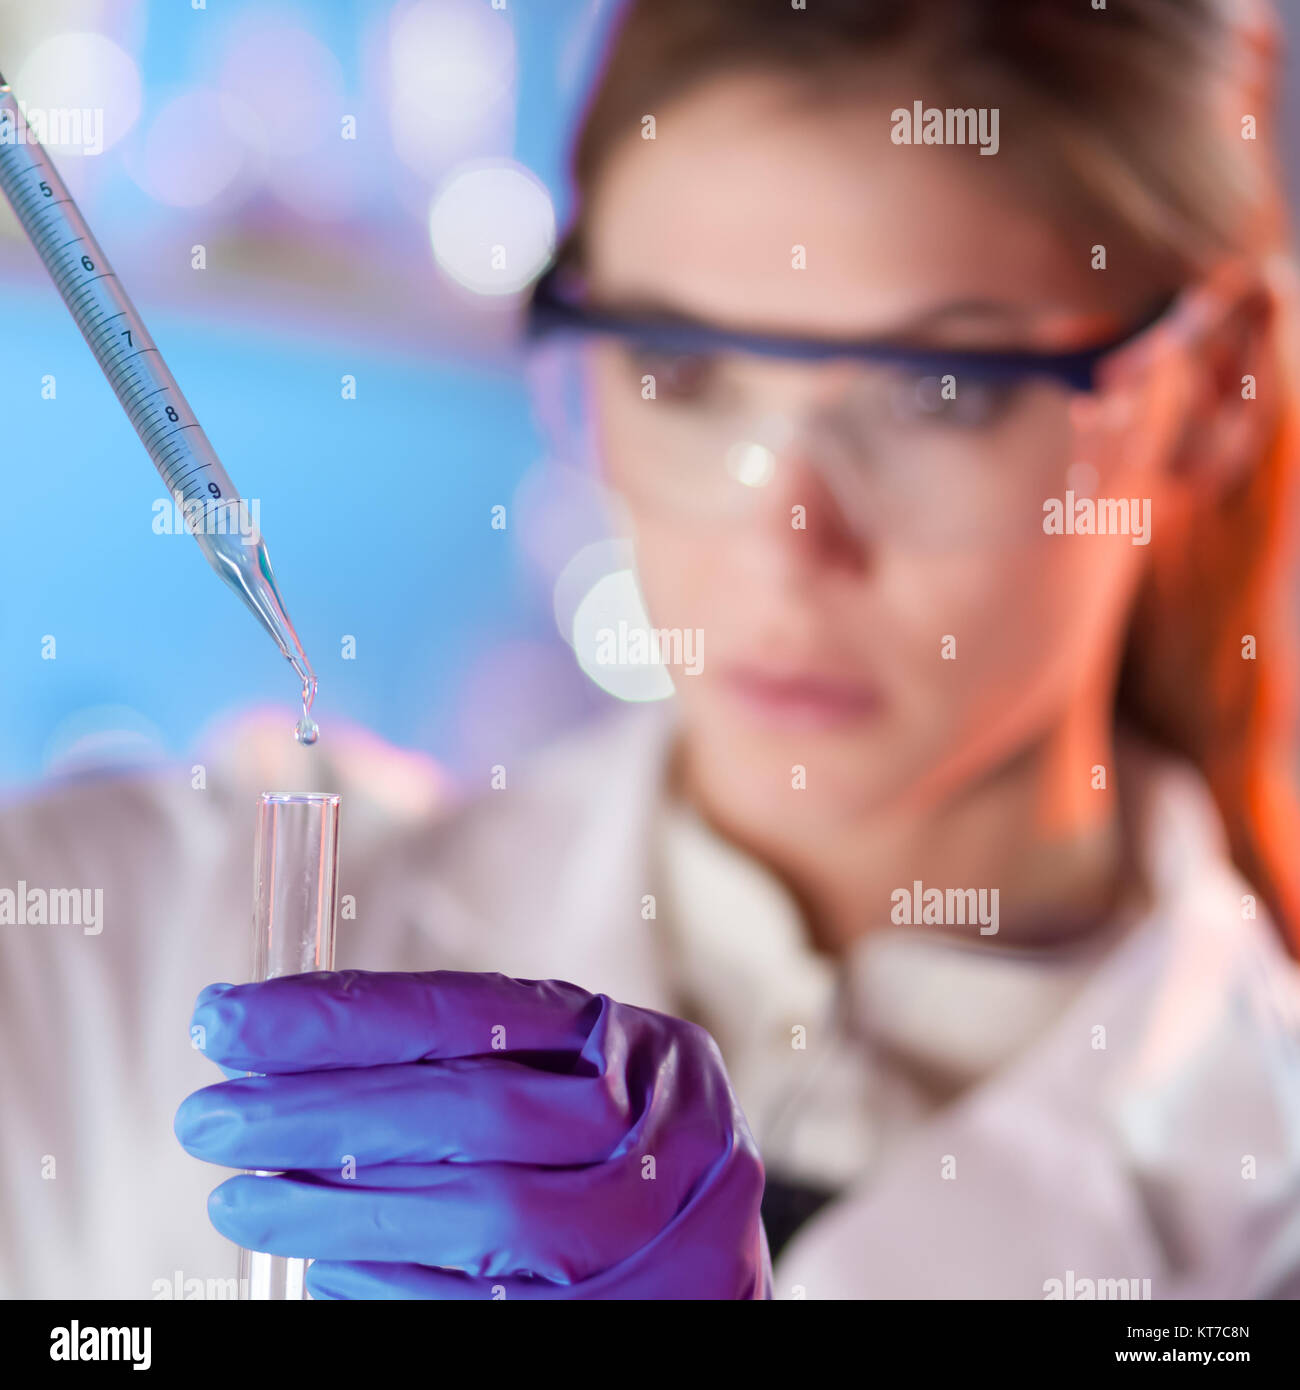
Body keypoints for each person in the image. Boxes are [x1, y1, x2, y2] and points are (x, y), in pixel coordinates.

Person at [4, 0, 1300, 1299]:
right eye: (682, 373)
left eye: (938, 390)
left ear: (1216, 386)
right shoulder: (126, 952)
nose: (785, 540)